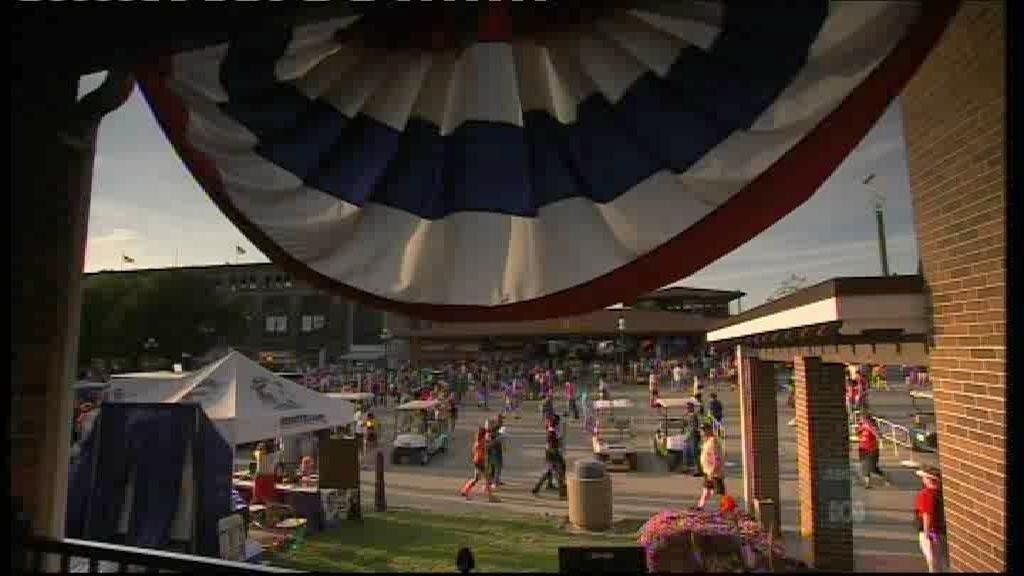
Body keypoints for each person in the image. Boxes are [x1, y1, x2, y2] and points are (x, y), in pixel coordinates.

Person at [915, 466, 948, 572]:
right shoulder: (941, 493)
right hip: (941, 531)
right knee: (940, 561)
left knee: (933, 562)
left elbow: (927, 514)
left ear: (930, 480)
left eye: (924, 477)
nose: (922, 480)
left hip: (932, 533)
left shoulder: (926, 494)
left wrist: (926, 533)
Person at [461, 427, 497, 502]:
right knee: (487, 479)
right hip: (480, 462)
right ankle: (491, 497)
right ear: (483, 434)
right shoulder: (482, 442)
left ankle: (465, 490)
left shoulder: (477, 442)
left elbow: (475, 451)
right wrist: (494, 441)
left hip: (477, 461)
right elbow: (487, 446)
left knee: (476, 479)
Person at [857, 413, 891, 488]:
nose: (860, 420)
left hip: (871, 450)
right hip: (863, 449)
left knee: (872, 468)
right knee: (865, 467)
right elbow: (859, 434)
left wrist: (878, 436)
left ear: (866, 419)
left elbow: (875, 432)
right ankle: (867, 484)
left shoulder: (870, 425)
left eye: (862, 419)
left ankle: (885, 477)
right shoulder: (862, 425)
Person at [697, 423, 725, 509]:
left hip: (714, 472)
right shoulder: (708, 440)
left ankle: (726, 509)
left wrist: (713, 470)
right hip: (708, 471)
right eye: (701, 431)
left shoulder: (713, 441)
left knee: (719, 493)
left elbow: (717, 457)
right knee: (706, 490)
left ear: (708, 430)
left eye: (703, 431)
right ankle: (700, 507)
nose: (702, 433)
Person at [532, 430, 566, 498]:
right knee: (558, 475)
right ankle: (562, 493)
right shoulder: (554, 435)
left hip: (551, 455)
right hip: (554, 456)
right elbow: (556, 445)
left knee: (549, 473)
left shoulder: (551, 436)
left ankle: (536, 488)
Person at [683, 402, 702, 474]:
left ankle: (698, 469)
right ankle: (687, 467)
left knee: (695, 453)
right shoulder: (688, 415)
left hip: (693, 436)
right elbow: (686, 426)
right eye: (686, 408)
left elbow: (694, 427)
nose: (687, 409)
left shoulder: (694, 416)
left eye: (688, 408)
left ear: (692, 408)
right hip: (688, 436)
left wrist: (688, 434)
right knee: (686, 452)